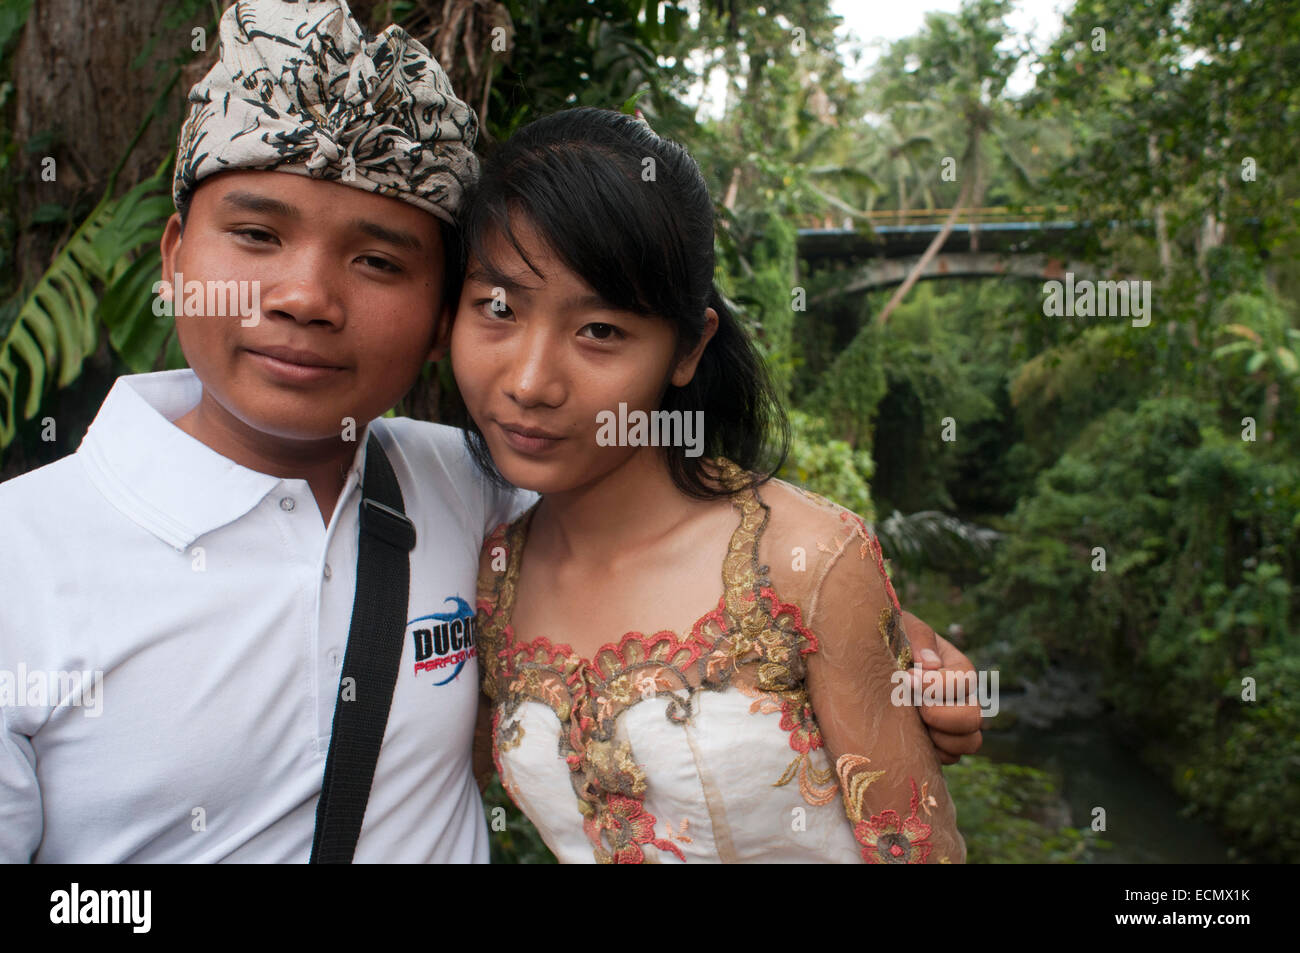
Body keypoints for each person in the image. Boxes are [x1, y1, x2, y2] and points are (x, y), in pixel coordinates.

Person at [0, 0, 536, 863]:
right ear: (174, 261)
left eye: (378, 261)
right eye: (256, 234)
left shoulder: (481, 485)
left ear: (443, 317)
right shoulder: (19, 563)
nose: (305, 297)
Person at [459, 107, 971, 863]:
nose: (530, 383)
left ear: (688, 348)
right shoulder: (486, 568)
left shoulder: (805, 561)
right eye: (498, 308)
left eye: (599, 330)